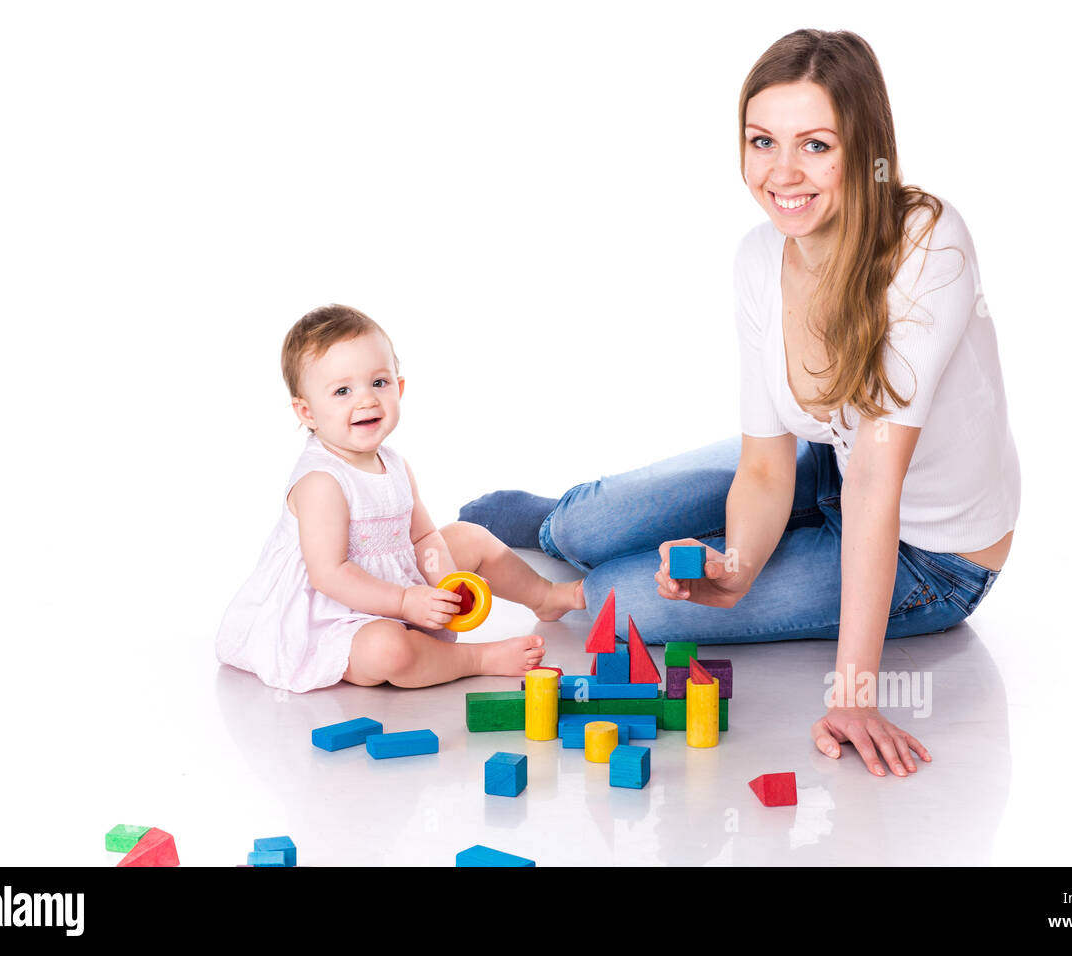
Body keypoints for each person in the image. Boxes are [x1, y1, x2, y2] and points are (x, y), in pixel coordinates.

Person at [460, 30, 1020, 777]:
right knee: (596, 522)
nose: (782, 172)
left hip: (934, 559)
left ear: (865, 147)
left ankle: (561, 587)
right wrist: (738, 563)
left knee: (619, 601)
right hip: (828, 466)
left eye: (815, 145)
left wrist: (854, 694)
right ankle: (566, 522)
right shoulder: (759, 256)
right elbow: (764, 465)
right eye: (763, 141)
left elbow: (878, 486)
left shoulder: (928, 245)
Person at [216, 304, 583, 693]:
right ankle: (477, 659)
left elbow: (423, 538)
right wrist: (406, 601)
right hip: (337, 612)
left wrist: (445, 581)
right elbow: (330, 574)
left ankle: (545, 596)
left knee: (469, 536)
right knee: (387, 650)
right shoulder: (321, 482)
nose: (366, 401)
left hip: (398, 580)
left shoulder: (394, 464)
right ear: (307, 412)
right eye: (342, 391)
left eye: (378, 383)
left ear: (399, 387)